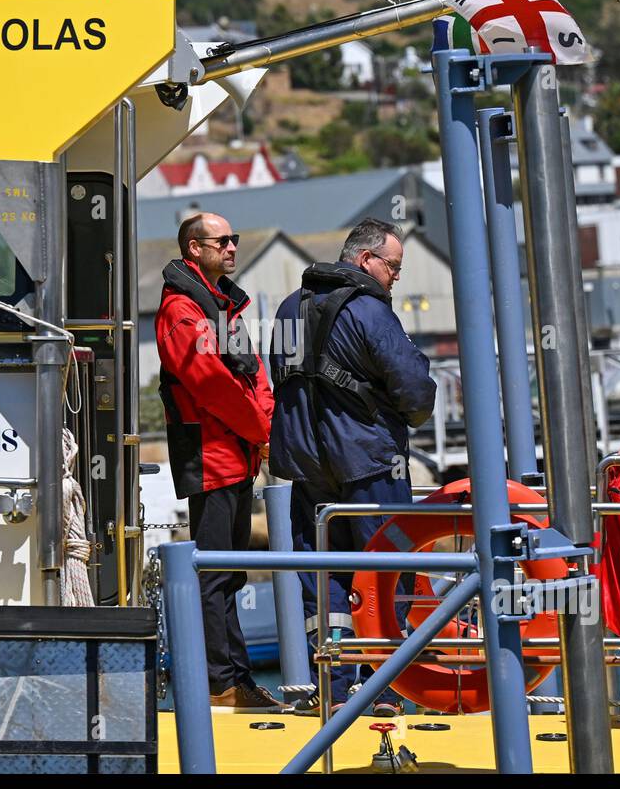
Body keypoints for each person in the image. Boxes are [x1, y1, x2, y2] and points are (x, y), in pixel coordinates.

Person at [269, 219, 436, 717]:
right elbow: (414, 387)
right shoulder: (369, 311)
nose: (396, 277)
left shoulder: (287, 309)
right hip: (369, 466)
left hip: (309, 469)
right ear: (366, 260)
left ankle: (335, 687)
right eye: (394, 266)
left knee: (325, 582)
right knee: (387, 575)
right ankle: (384, 689)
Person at [155, 212, 281, 711]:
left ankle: (235, 680)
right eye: (222, 240)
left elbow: (255, 377)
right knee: (214, 574)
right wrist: (260, 430)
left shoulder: (222, 306)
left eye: (235, 238)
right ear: (194, 249)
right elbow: (210, 384)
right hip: (210, 458)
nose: (232, 247)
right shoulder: (182, 311)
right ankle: (220, 683)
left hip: (237, 457)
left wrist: (265, 430)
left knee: (229, 573)